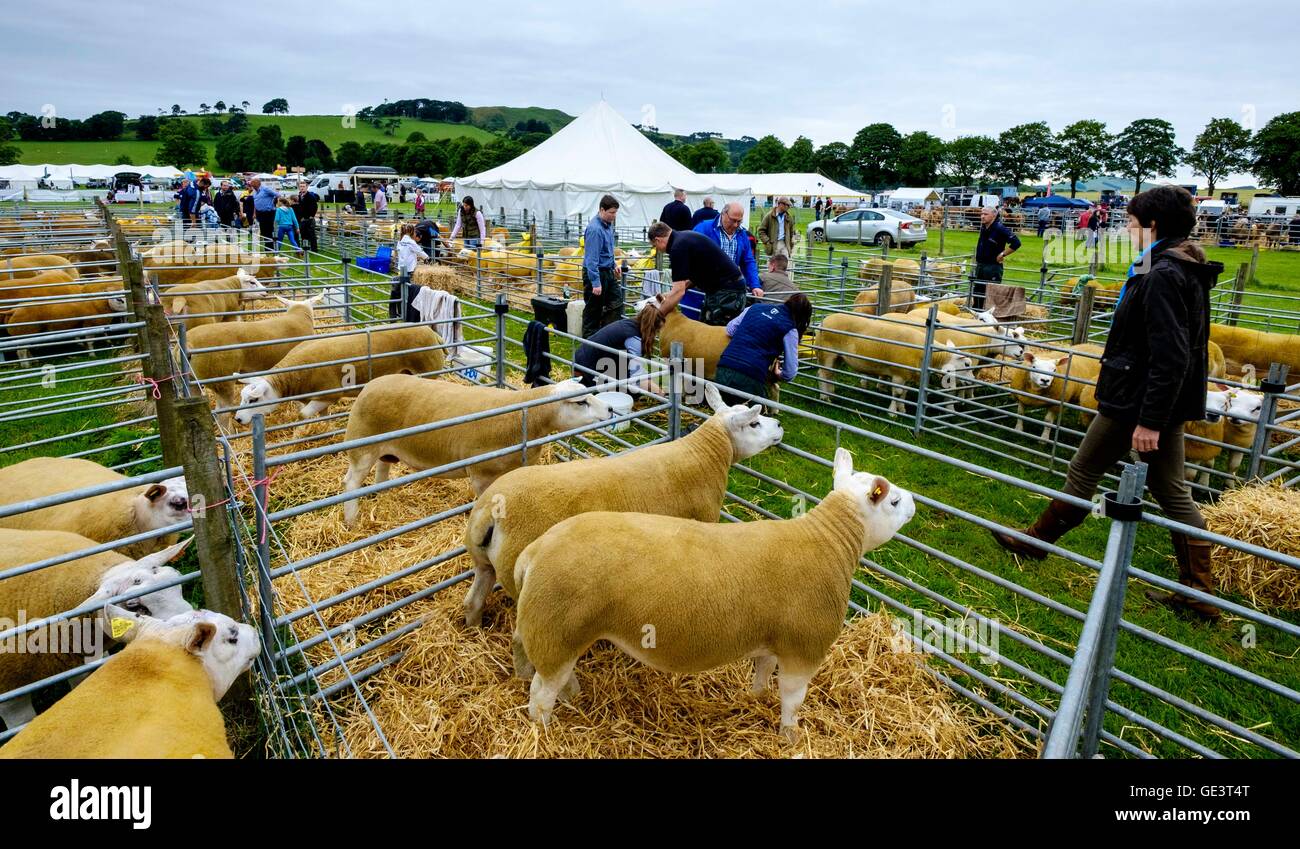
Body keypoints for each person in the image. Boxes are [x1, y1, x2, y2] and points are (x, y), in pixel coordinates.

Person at [991, 186, 1225, 621]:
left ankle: (1035, 542)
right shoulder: (1178, 264)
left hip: (1136, 402)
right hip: (1152, 399)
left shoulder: (1162, 275)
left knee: (1084, 470)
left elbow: (1170, 355)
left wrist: (1150, 420)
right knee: (1171, 491)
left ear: (1153, 226)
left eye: (1133, 224)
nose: (1127, 230)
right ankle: (1198, 593)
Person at [713, 293, 813, 405]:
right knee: (756, 419)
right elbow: (790, 373)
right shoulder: (790, 328)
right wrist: (779, 374)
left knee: (725, 415)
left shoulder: (754, 308)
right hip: (750, 375)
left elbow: (730, 329)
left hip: (723, 368)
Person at [647, 221, 752, 326]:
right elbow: (695, 277)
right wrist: (669, 294)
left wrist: (657, 317)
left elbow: (678, 292)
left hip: (728, 291)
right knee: (705, 327)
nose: (658, 250)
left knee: (716, 333)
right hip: (723, 288)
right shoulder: (684, 238)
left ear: (658, 240)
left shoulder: (677, 248)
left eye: (655, 246)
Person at [573, 299, 667, 391]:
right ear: (652, 328)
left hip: (583, 357)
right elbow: (638, 377)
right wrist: (662, 395)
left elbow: (635, 367)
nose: (656, 335)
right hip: (588, 366)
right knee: (628, 390)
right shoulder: (634, 339)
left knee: (629, 382)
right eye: (657, 331)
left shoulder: (630, 324)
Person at [694, 201, 762, 300]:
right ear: (723, 214)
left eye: (739, 221)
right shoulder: (704, 229)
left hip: (727, 288)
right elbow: (691, 254)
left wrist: (755, 285)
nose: (735, 225)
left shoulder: (742, 234)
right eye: (733, 220)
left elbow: (748, 261)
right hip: (703, 288)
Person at [581, 194, 623, 338]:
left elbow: (607, 250)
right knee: (594, 308)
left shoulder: (608, 226)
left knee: (616, 302)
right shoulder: (595, 230)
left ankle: (606, 335)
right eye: (611, 212)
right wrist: (596, 283)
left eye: (615, 212)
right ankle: (589, 340)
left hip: (606, 270)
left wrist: (613, 264)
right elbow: (591, 258)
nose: (614, 215)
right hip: (596, 272)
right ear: (602, 210)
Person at [972, 205, 1020, 310]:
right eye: (981, 214)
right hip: (981, 265)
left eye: (985, 214)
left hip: (993, 267)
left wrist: (1003, 254)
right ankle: (977, 316)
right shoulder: (984, 227)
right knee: (978, 292)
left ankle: (990, 318)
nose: (982, 216)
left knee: (992, 293)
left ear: (994, 215)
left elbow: (1016, 243)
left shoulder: (1000, 228)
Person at [390, 223, 429, 322]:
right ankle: (404, 313)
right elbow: (419, 251)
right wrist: (427, 258)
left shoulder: (400, 241)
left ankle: (395, 313)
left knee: (398, 291)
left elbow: (399, 253)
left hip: (401, 269)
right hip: (409, 270)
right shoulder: (411, 242)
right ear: (411, 232)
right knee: (408, 291)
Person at [250, 177, 280, 247]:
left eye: (253, 183)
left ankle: (271, 247)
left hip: (268, 213)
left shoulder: (266, 189)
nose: (252, 185)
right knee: (263, 231)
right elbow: (255, 202)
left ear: (257, 184)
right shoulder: (255, 191)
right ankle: (267, 246)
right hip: (260, 213)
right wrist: (254, 213)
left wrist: (274, 203)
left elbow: (277, 195)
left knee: (269, 230)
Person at [295, 181, 319, 252]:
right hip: (302, 219)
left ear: (306, 187)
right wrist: (300, 217)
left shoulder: (310, 196)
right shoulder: (299, 196)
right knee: (303, 234)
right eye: (301, 186)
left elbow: (315, 206)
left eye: (303, 186)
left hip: (309, 218)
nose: (302, 188)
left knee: (311, 235)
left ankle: (314, 249)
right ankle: (305, 248)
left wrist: (312, 216)